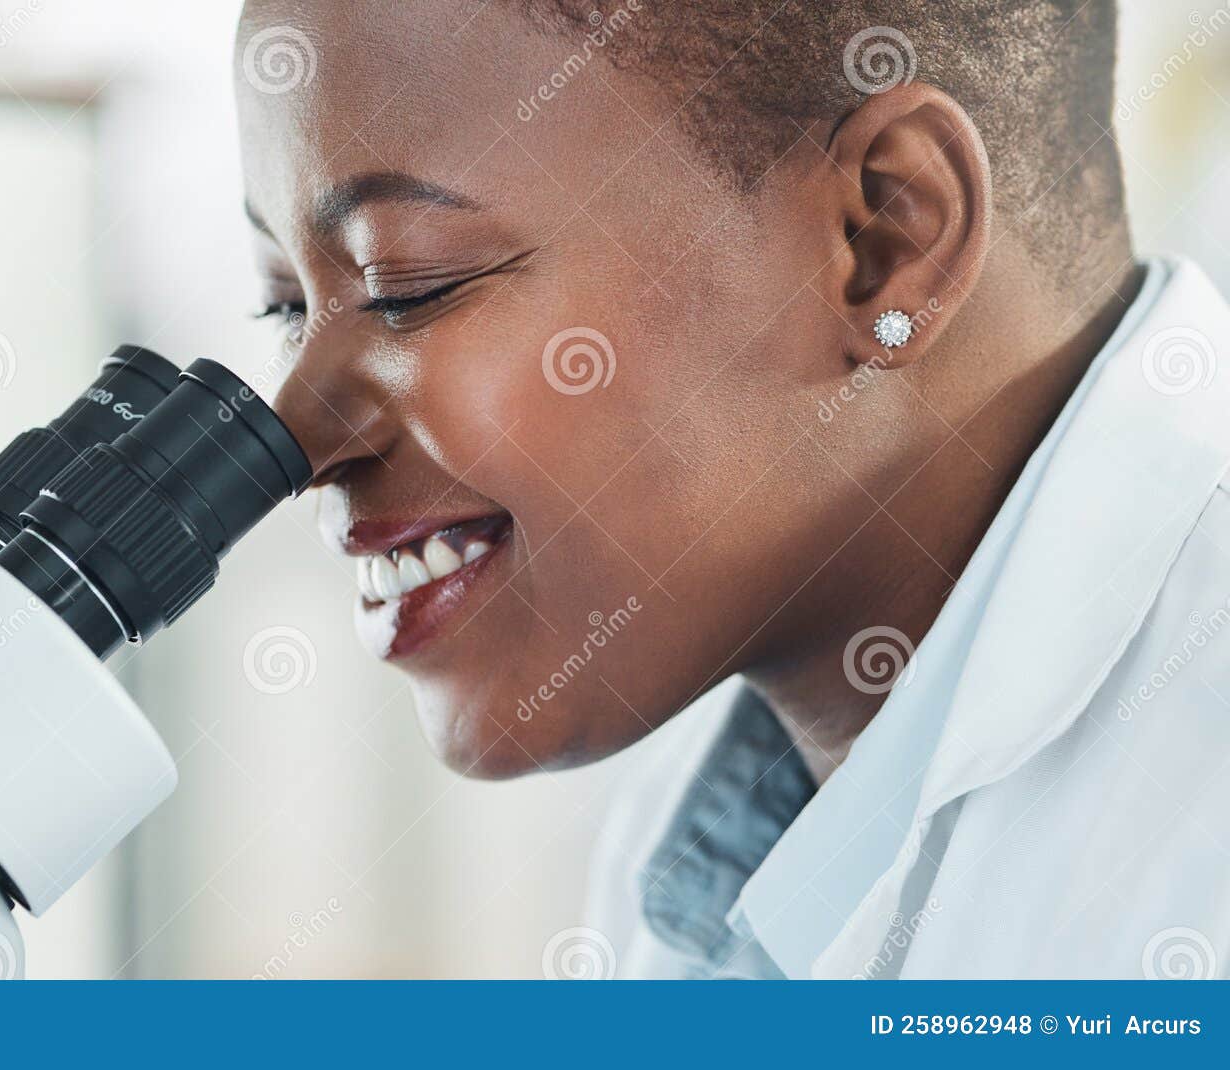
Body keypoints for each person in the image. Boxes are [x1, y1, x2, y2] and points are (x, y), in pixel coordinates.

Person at [236, 0, 1230, 978]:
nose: (297, 443)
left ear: (883, 244)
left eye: (409, 286)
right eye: (284, 304)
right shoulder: (693, 842)